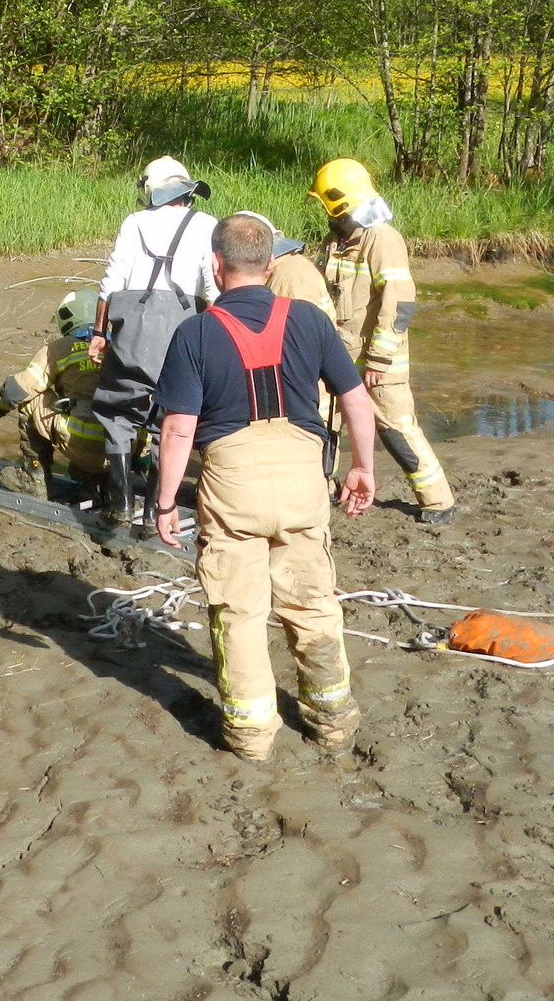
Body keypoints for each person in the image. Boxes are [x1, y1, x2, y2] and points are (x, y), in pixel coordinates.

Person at [151, 211, 380, 763]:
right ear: (270, 265)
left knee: (238, 611)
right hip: (303, 481)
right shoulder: (309, 319)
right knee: (313, 603)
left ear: (216, 266)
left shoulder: (195, 332)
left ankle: (251, 737)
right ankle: (332, 723)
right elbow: (356, 400)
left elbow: (179, 427)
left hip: (234, 486)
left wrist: (165, 501)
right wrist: (363, 467)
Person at [311, 158, 457, 526]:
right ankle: (321, 489)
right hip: (339, 355)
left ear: (340, 202)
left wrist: (379, 358)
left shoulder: (382, 239)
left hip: (378, 364)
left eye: (327, 205)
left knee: (395, 429)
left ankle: (437, 501)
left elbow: (399, 303)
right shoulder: (336, 242)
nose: (325, 214)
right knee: (321, 422)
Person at [87, 157, 217, 527]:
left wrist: (99, 333)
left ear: (150, 190)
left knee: (116, 411)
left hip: (132, 327)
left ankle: (121, 502)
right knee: (171, 418)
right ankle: (154, 512)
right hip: (185, 330)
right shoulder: (207, 225)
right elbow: (213, 292)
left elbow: (110, 283)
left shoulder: (135, 222)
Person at [0, 289, 106, 500]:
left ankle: (34, 478)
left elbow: (16, 390)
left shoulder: (59, 349)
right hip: (121, 449)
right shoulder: (124, 346)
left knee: (31, 399)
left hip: (83, 440)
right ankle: (99, 481)